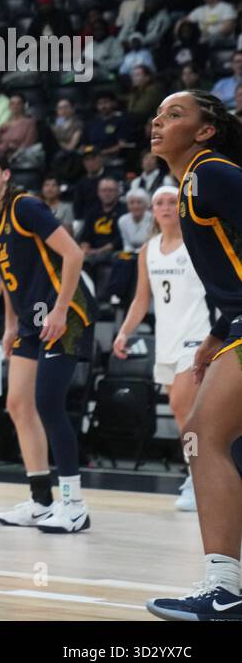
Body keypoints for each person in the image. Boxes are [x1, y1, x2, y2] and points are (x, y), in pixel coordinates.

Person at [145, 91, 242, 619]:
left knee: (203, 436)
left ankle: (224, 588)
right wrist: (218, 331)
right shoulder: (191, 183)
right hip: (234, 329)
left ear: (206, 130)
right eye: (157, 115)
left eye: (174, 115)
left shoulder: (212, 173)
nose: (158, 122)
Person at [0, 149, 96, 534]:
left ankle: (75, 504)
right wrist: (9, 326)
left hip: (66, 314)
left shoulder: (26, 207)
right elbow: (10, 282)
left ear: (6, 174)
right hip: (30, 322)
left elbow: (74, 254)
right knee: (18, 404)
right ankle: (42, 501)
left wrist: (60, 310)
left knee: (47, 403)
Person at [113, 186, 211, 512]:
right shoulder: (148, 250)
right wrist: (125, 332)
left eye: (172, 201)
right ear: (153, 211)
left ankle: (199, 478)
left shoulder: (198, 243)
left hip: (198, 334)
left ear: (181, 207)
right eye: (160, 203)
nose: (166, 207)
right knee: (185, 413)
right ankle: (200, 472)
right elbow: (142, 300)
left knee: (183, 405)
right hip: (167, 339)